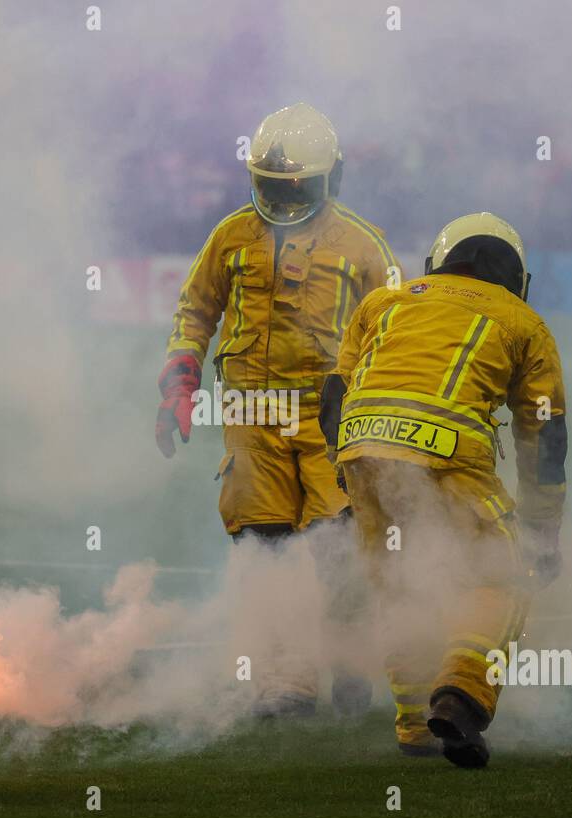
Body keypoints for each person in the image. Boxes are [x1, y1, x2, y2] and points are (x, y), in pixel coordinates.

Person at [156, 102, 401, 716]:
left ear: (332, 179)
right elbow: (195, 311)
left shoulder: (364, 245)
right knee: (263, 548)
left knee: (335, 545)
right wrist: (179, 383)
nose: (284, 201)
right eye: (272, 188)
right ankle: (285, 681)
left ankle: (348, 661)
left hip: (331, 420)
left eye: (297, 188)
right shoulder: (231, 235)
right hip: (249, 416)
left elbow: (396, 332)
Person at [320, 213, 567, 766]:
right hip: (446, 446)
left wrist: (349, 470)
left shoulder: (386, 300)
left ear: (439, 259)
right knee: (509, 571)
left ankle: (415, 728)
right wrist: (544, 533)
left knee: (398, 584)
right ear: (517, 275)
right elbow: (544, 437)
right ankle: (461, 696)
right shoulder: (524, 321)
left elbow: (334, 395)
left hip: (362, 445)